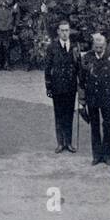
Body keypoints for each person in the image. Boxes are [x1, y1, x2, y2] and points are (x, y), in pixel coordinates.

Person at [79, 32, 110, 165]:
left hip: (108, 98)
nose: (99, 49)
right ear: (93, 46)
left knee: (108, 126)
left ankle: (106, 155)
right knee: (94, 127)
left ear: (105, 45)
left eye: (101, 47)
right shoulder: (87, 57)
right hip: (92, 98)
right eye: (96, 47)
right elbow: (81, 81)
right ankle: (96, 155)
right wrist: (82, 101)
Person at [44, 19, 81, 154]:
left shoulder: (75, 47)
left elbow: (79, 67)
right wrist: (48, 86)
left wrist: (80, 85)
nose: (65, 33)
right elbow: (47, 68)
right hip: (57, 86)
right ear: (58, 32)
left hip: (71, 86)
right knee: (59, 114)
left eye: (67, 30)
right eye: (62, 30)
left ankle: (69, 142)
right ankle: (60, 143)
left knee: (69, 114)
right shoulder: (52, 47)